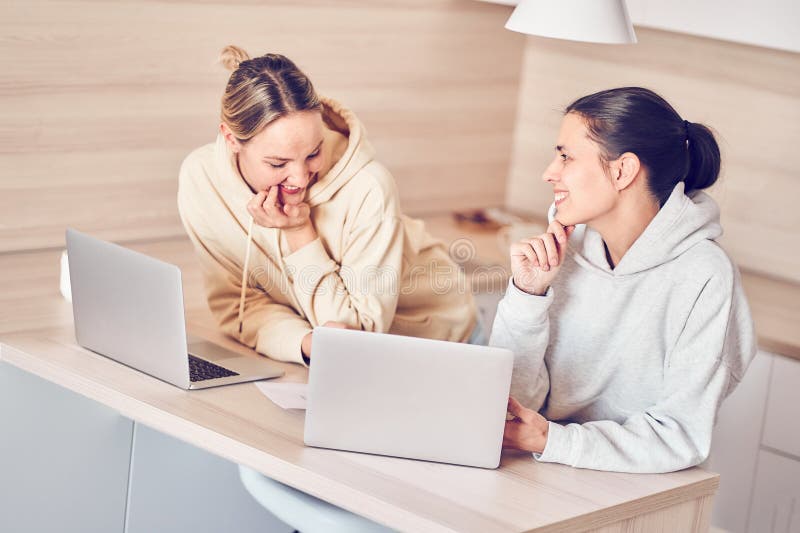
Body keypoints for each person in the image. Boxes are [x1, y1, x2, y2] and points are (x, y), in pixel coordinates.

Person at [492, 87, 756, 473]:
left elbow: (680, 436)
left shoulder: (704, 277)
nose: (549, 173)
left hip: (637, 485)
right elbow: (514, 404)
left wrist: (551, 439)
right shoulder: (563, 251)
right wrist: (528, 295)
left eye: (565, 156)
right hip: (541, 464)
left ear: (622, 170)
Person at [178, 46, 480, 366]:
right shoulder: (202, 179)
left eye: (313, 153)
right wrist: (303, 342)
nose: (299, 178)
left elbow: (354, 338)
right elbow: (238, 307)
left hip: (439, 347)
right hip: (331, 359)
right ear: (231, 139)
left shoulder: (369, 188)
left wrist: (299, 231)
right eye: (278, 163)